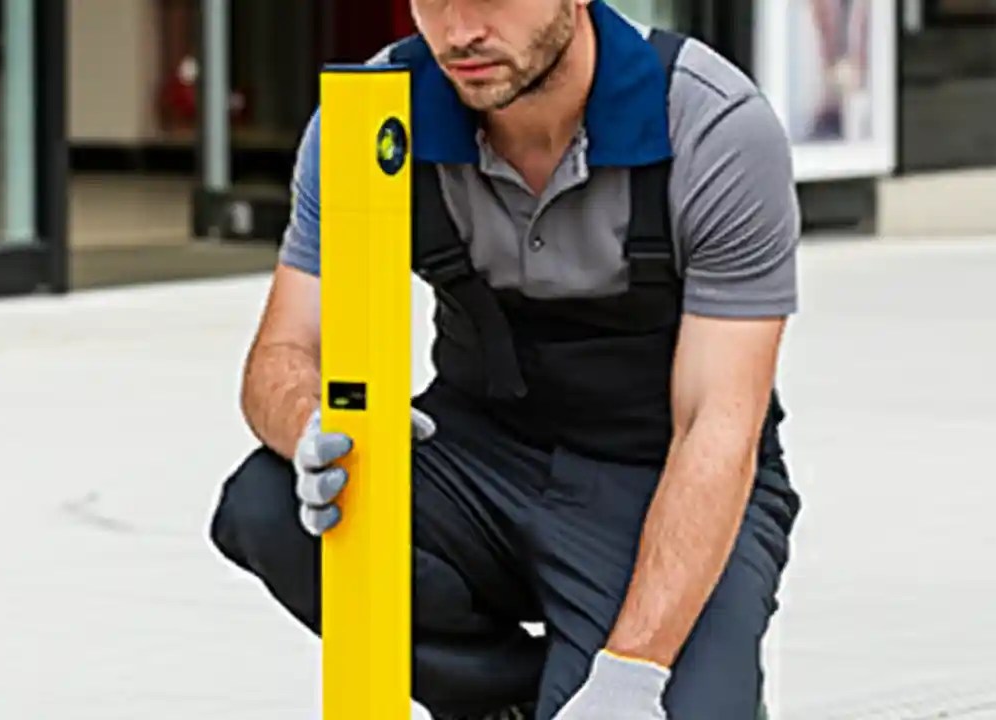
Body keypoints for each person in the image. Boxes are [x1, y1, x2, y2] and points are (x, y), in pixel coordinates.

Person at [209, 1, 802, 718]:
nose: (459, 32)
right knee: (269, 504)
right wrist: (307, 427)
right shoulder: (370, 119)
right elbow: (284, 349)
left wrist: (632, 674)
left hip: (660, 477)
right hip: (479, 462)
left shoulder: (710, 125)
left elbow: (719, 424)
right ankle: (505, 700)